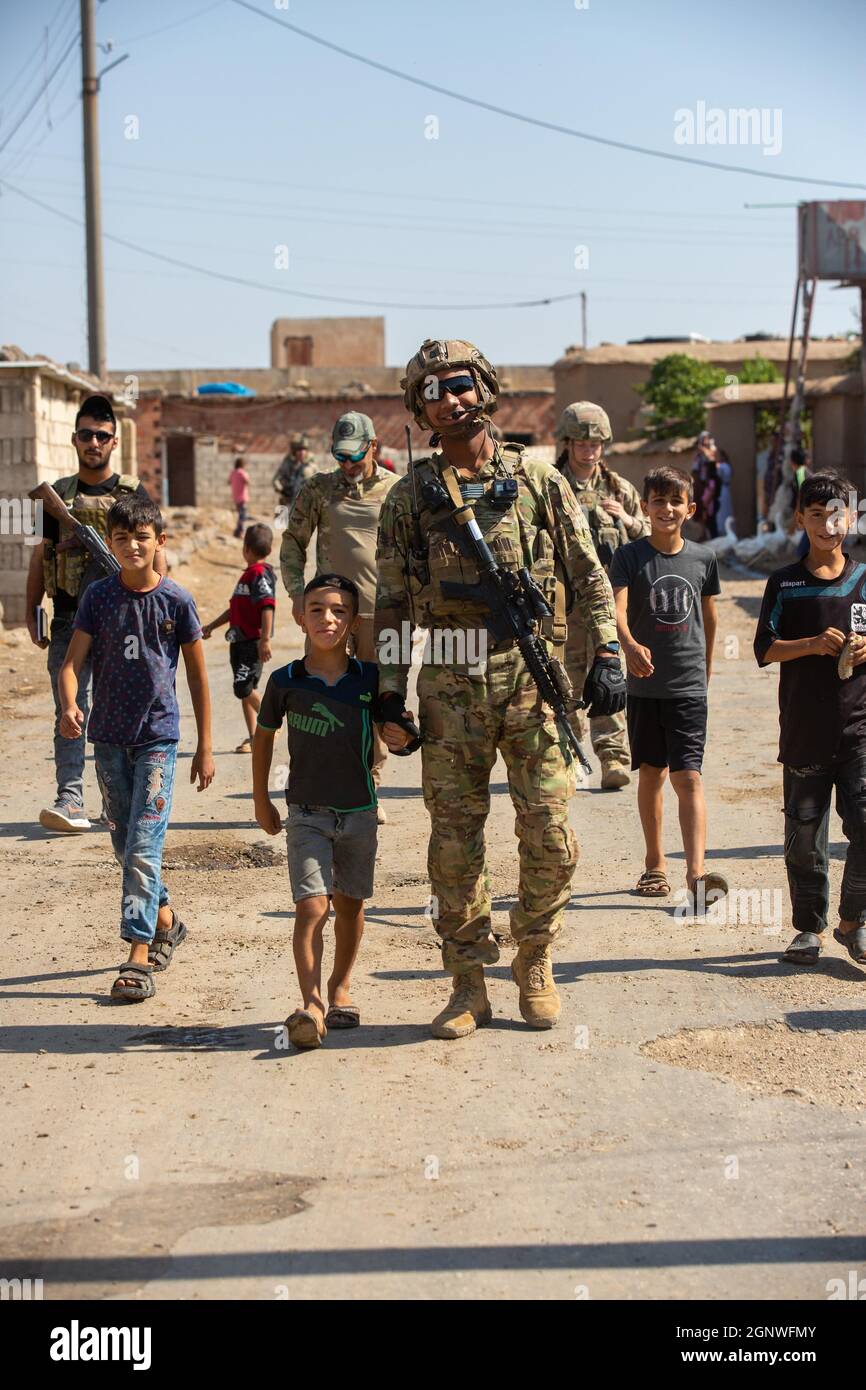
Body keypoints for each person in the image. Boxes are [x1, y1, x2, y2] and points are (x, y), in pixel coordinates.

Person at [375, 338, 624, 1040]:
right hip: (450, 680)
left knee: (551, 833)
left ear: (483, 388)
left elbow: (586, 571)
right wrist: (389, 694)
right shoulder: (409, 497)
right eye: (433, 392)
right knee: (455, 843)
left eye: (458, 385)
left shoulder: (540, 481)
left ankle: (535, 958)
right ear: (418, 409)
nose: (449, 399)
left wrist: (605, 649)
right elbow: (390, 603)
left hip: (530, 675)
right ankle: (467, 983)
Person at [57, 493, 214, 1002]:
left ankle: (137, 955)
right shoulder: (99, 597)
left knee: (145, 846)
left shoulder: (177, 601)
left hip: (158, 740)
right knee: (124, 844)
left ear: (159, 542)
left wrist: (205, 746)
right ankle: (166, 919)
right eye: (121, 539)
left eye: (140, 538)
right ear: (112, 543)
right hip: (107, 739)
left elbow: (196, 675)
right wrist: (67, 706)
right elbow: (71, 664)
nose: (131, 547)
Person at [252, 574, 416, 1049]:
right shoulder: (285, 681)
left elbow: (398, 729)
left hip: (361, 812)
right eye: (318, 609)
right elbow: (264, 736)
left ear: (352, 623)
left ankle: (341, 987)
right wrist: (262, 797)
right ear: (300, 616)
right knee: (311, 906)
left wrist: (402, 736)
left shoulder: (369, 679)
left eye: (340, 611)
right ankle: (311, 1004)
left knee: (350, 904)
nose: (328, 618)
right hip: (306, 813)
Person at [25, 393, 165, 834]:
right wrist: (30, 608)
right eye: (86, 434)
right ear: (74, 439)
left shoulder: (131, 493)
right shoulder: (58, 497)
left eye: (102, 436)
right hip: (69, 617)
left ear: (114, 441)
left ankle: (115, 798)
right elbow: (40, 553)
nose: (93, 442)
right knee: (69, 707)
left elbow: (156, 554)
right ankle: (70, 796)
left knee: (118, 709)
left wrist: (161, 607)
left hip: (124, 623)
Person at [754, 471, 866, 968]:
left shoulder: (864, 580)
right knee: (804, 839)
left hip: (859, 730)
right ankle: (808, 929)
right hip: (803, 734)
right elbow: (765, 648)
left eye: (836, 513)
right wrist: (814, 644)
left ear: (852, 518)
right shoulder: (785, 582)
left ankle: (853, 923)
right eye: (816, 515)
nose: (827, 523)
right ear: (800, 519)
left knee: (864, 827)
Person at [609, 465, 726, 909]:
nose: (667, 509)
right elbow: (617, 610)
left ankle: (696, 873)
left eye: (675, 501)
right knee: (652, 774)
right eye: (658, 501)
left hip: (688, 686)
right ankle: (655, 863)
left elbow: (709, 617)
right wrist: (630, 644)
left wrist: (707, 666)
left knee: (689, 776)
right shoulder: (629, 556)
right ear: (644, 507)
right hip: (643, 688)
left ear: (690, 509)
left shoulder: (704, 558)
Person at [279, 411, 397, 817]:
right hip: (331, 616)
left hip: (381, 615)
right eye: (340, 456)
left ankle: (370, 783)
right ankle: (324, 785)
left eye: (355, 455)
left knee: (375, 699)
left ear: (374, 447)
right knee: (326, 697)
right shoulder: (318, 489)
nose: (347, 465)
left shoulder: (395, 491)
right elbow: (293, 542)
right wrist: (297, 594)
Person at [555, 401, 648, 790]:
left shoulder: (618, 489)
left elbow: (648, 534)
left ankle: (613, 758)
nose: (588, 450)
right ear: (569, 443)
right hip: (565, 604)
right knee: (566, 684)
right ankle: (572, 758)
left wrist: (626, 520)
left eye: (595, 444)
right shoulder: (551, 485)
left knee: (609, 678)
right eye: (581, 443)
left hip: (608, 604)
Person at [201, 523, 276, 753]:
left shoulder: (259, 574)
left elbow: (267, 607)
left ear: (246, 549)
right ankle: (254, 737)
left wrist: (264, 640)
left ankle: (272, 718)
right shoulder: (248, 576)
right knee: (246, 688)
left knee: (242, 688)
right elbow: (233, 610)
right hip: (239, 642)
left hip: (251, 643)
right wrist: (212, 626)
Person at [272, 434, 316, 515]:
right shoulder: (288, 464)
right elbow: (275, 480)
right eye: (299, 451)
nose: (302, 453)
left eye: (304, 450)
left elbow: (319, 481)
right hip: (289, 501)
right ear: (294, 452)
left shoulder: (311, 466)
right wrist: (282, 490)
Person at [691, 432, 719, 540]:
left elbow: (712, 464)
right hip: (701, 486)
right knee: (701, 510)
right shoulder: (698, 456)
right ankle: (703, 533)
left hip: (710, 486)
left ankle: (712, 535)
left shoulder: (712, 451)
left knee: (710, 511)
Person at [228, 457, 250, 538]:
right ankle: (241, 532)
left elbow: (229, 481)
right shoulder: (242, 473)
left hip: (235, 497)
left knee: (240, 514)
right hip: (242, 497)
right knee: (243, 515)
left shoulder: (233, 473)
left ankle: (237, 531)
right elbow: (247, 481)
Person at [714, 448, 734, 535]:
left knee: (723, 512)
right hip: (722, 490)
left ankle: (725, 531)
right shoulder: (724, 466)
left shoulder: (723, 466)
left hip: (723, 490)